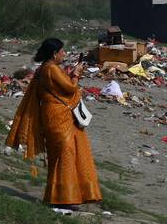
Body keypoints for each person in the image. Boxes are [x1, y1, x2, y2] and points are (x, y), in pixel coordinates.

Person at [6, 38, 102, 209]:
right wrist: (76, 73)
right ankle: (63, 197)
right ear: (54, 53)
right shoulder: (51, 68)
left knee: (61, 155)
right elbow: (70, 89)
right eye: (62, 51)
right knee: (64, 154)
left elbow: (61, 86)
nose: (64, 54)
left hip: (55, 115)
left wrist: (72, 73)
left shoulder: (46, 69)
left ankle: (63, 196)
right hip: (57, 116)